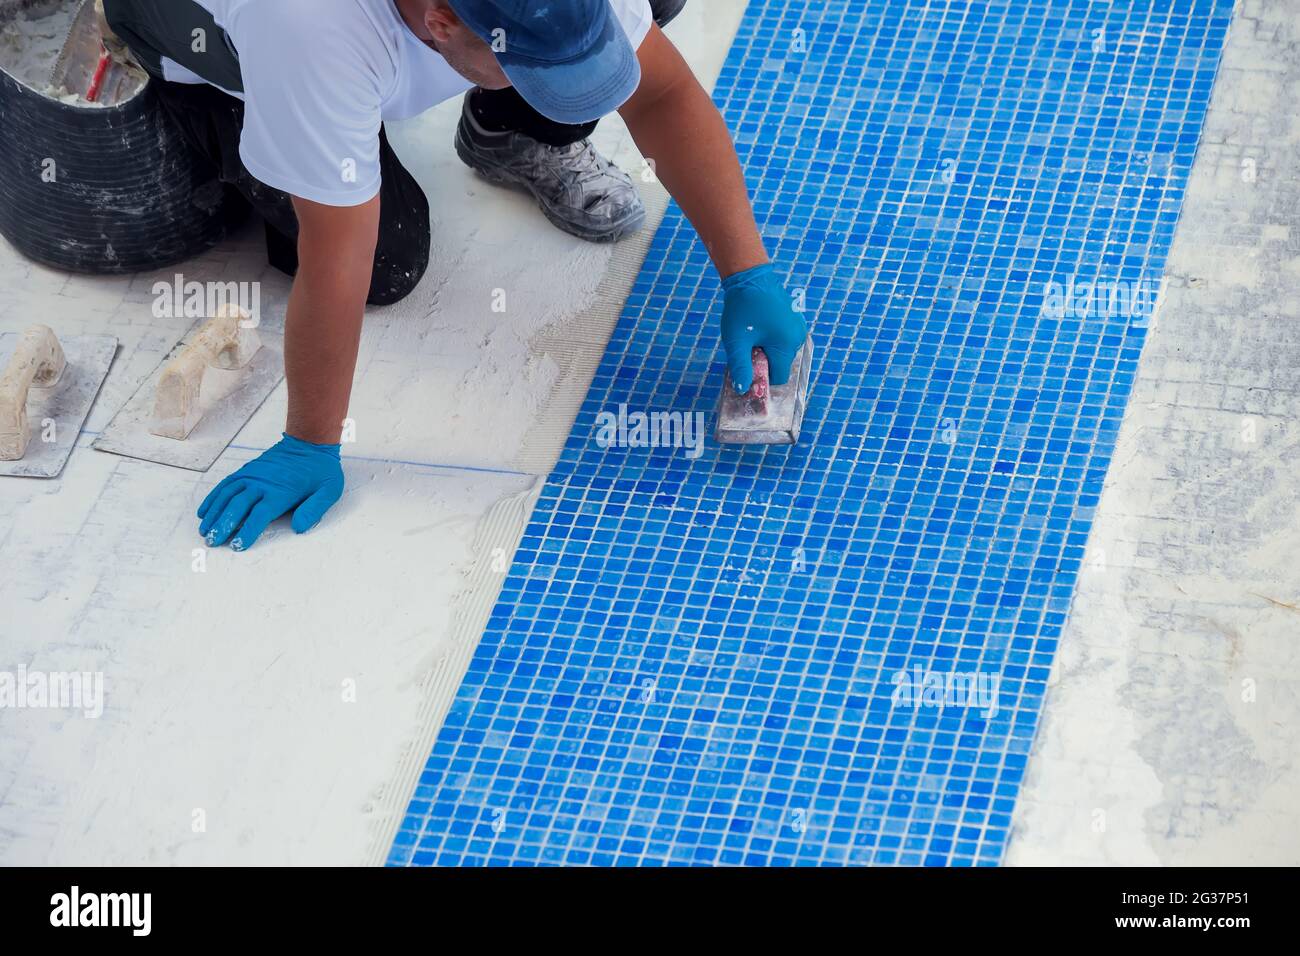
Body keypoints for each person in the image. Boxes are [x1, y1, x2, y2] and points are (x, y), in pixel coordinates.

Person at [102, 0, 808, 550]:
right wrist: (309, 441)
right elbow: (336, 253)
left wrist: (747, 272)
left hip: (399, 42)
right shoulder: (310, 34)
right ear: (439, 23)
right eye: (528, 73)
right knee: (385, 258)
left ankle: (505, 133)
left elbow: (660, 96)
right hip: (198, 29)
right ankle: (230, 114)